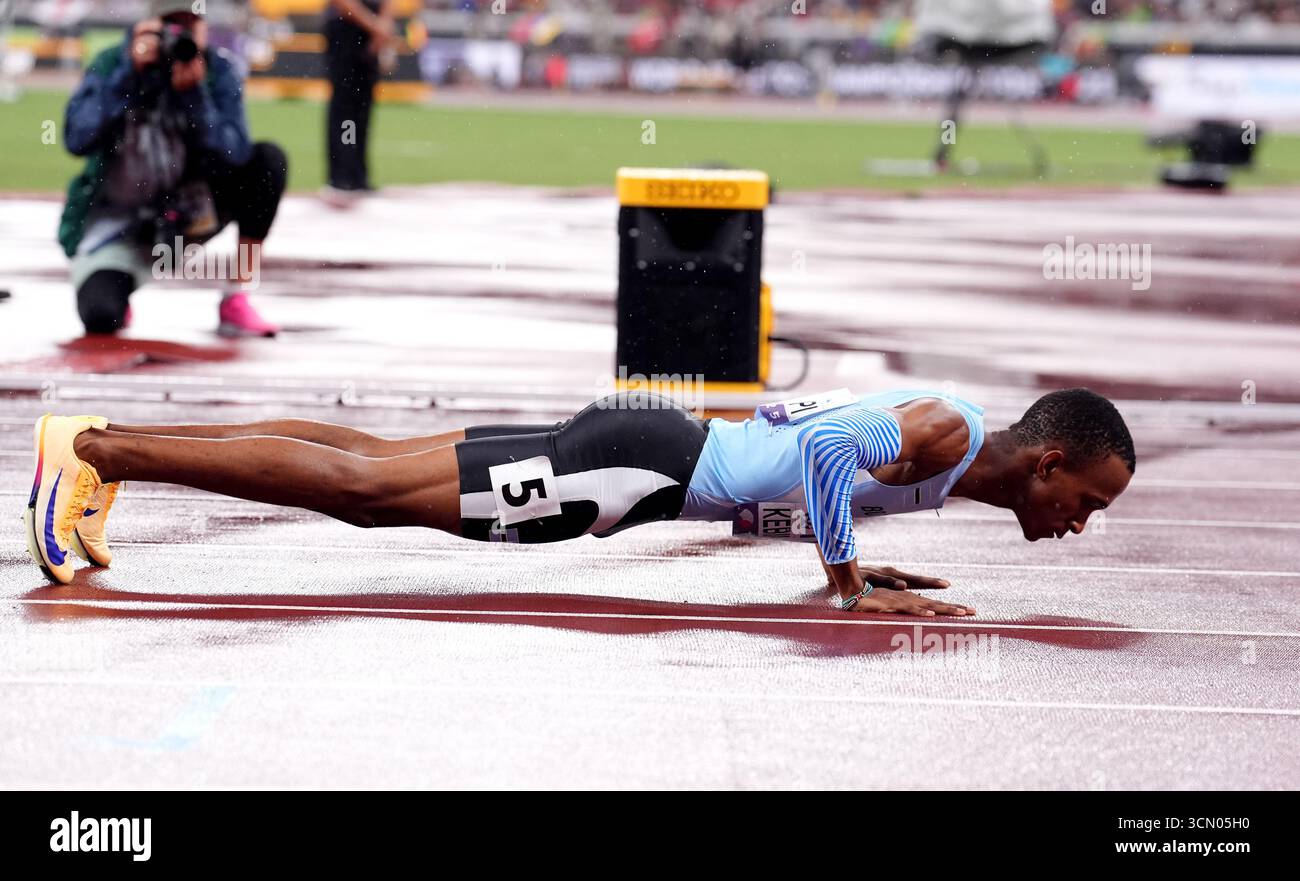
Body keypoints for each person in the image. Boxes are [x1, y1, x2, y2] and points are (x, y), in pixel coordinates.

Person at [24, 387, 1134, 618]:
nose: (1079, 523)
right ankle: (88, 448)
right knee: (365, 494)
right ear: (1046, 464)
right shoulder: (950, 429)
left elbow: (809, 458)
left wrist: (845, 555)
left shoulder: (955, 450)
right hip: (638, 472)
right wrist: (844, 584)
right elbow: (836, 446)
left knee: (363, 459)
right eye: (1087, 500)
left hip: (644, 455)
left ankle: (107, 450)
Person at [58, 0, 284, 337]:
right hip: (123, 224)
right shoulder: (112, 63)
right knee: (101, 317)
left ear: (204, 29)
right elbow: (77, 138)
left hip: (188, 215)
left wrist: (193, 99)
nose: (179, 36)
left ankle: (237, 295)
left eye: (190, 26)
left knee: (267, 161)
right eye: (170, 26)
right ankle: (120, 285)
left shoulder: (217, 70)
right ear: (145, 28)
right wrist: (129, 77)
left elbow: (235, 154)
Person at [323, 0, 397, 201]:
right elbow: (343, 4)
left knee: (362, 107)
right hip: (347, 29)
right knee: (345, 108)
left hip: (369, 31)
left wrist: (381, 28)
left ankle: (358, 174)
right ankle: (342, 174)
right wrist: (376, 26)